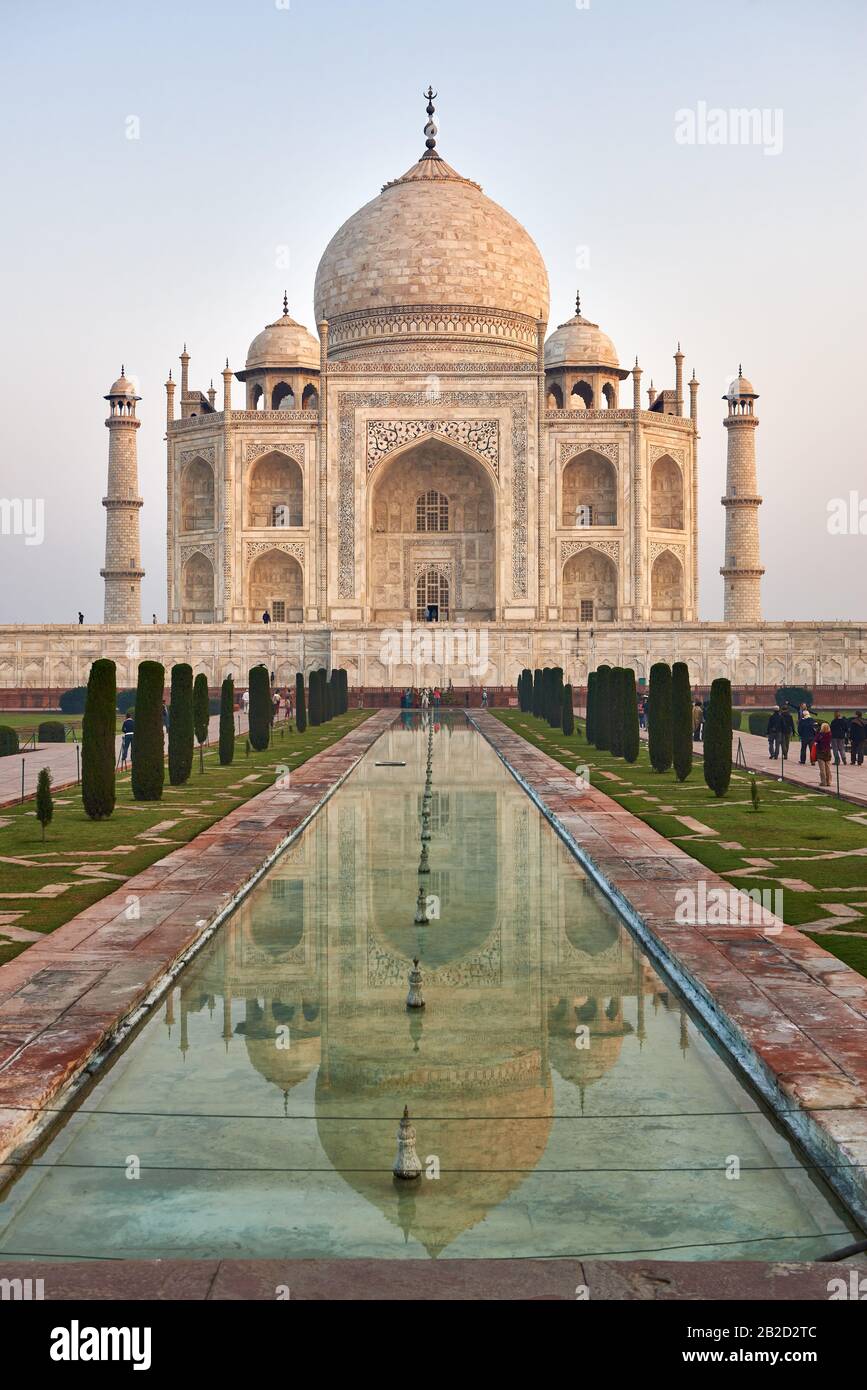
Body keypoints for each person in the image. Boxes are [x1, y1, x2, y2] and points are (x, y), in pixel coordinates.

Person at [816, 721, 833, 787]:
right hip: (828, 752)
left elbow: (816, 740)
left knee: (822, 769)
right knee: (827, 768)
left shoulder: (820, 735)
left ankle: (823, 782)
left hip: (821, 752)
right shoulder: (829, 735)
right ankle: (829, 781)